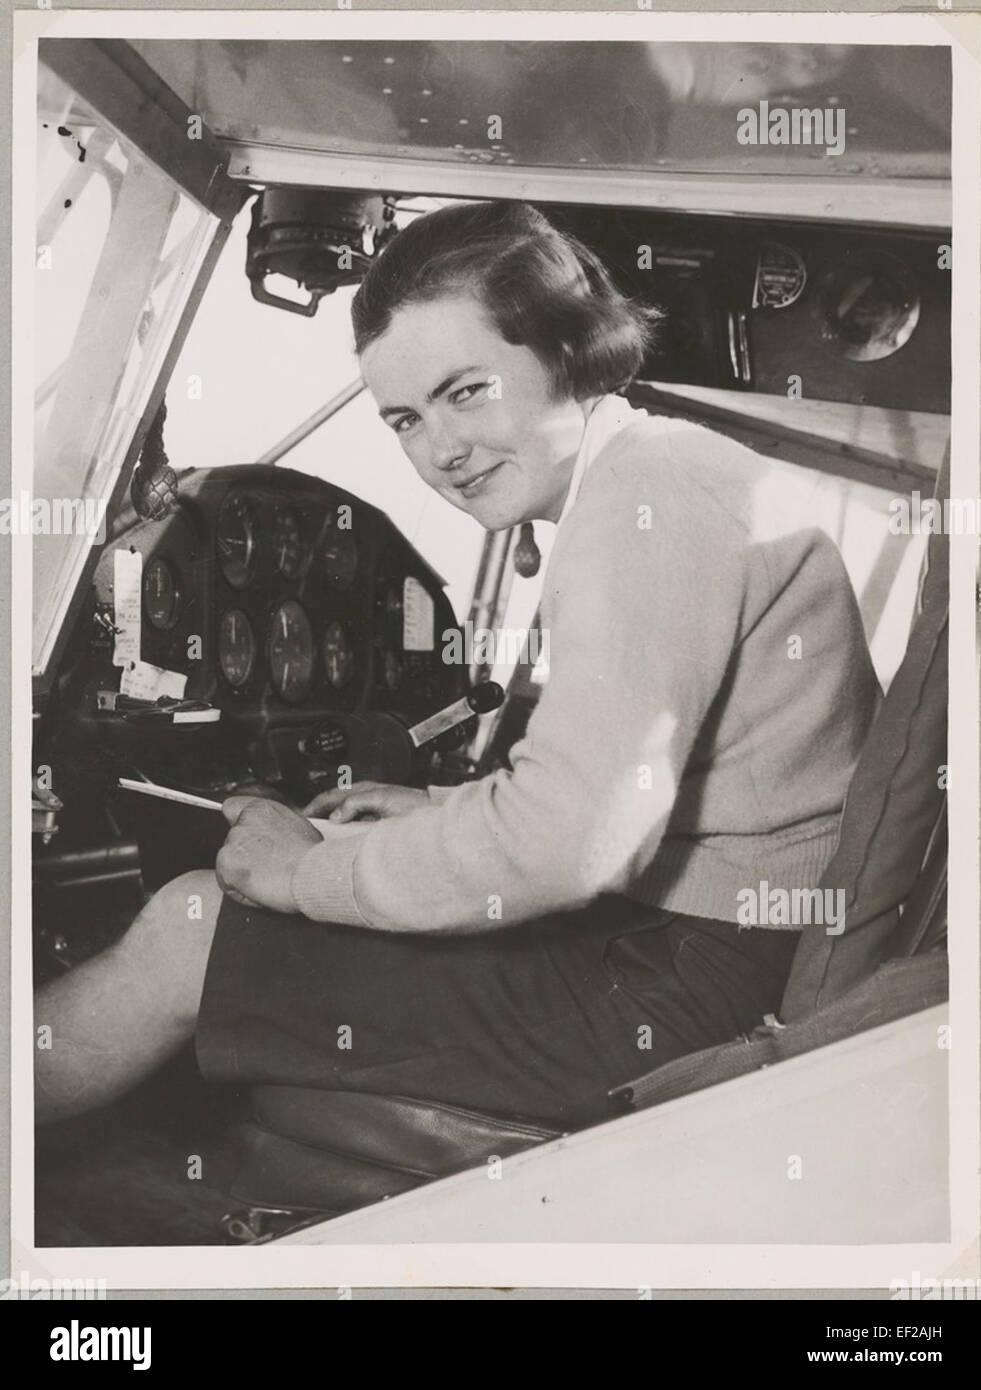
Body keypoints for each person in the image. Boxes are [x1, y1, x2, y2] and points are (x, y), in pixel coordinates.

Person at [35, 201, 880, 1130]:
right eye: (405, 419)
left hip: (687, 984)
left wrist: (302, 875)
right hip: (729, 943)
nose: (440, 449)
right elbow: (613, 800)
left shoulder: (650, 500)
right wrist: (437, 811)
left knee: (192, 927)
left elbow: (565, 848)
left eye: (465, 390)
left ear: (566, 348)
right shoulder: (664, 472)